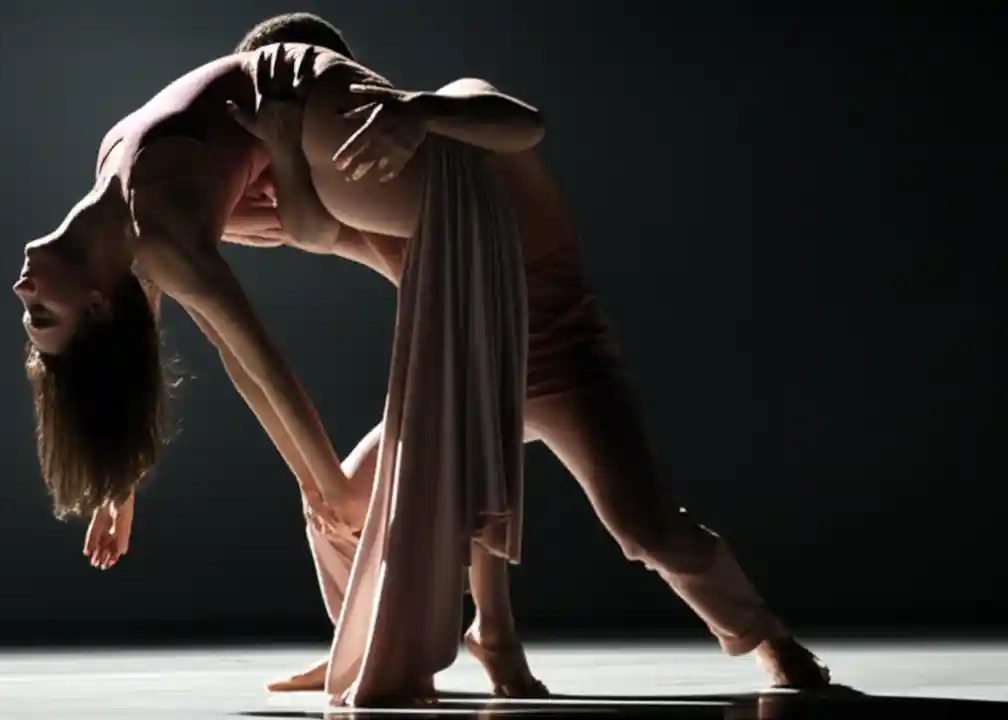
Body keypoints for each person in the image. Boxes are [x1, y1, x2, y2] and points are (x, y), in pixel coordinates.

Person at [220, 12, 833, 704]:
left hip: (560, 362)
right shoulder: (346, 195)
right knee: (334, 499)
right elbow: (259, 225)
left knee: (645, 524)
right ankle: (363, 645)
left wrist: (416, 112)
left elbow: (523, 121)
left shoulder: (446, 111)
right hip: (460, 374)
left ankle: (768, 637)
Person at [12, 32, 548, 706]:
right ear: (92, 305)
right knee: (339, 481)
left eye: (31, 316)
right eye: (41, 316)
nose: (21, 295)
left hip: (307, 109)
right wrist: (129, 491)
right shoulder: (143, 241)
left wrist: (325, 483)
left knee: (363, 464)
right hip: (313, 143)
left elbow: (213, 350)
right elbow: (249, 361)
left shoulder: (130, 212)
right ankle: (380, 628)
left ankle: (431, 620)